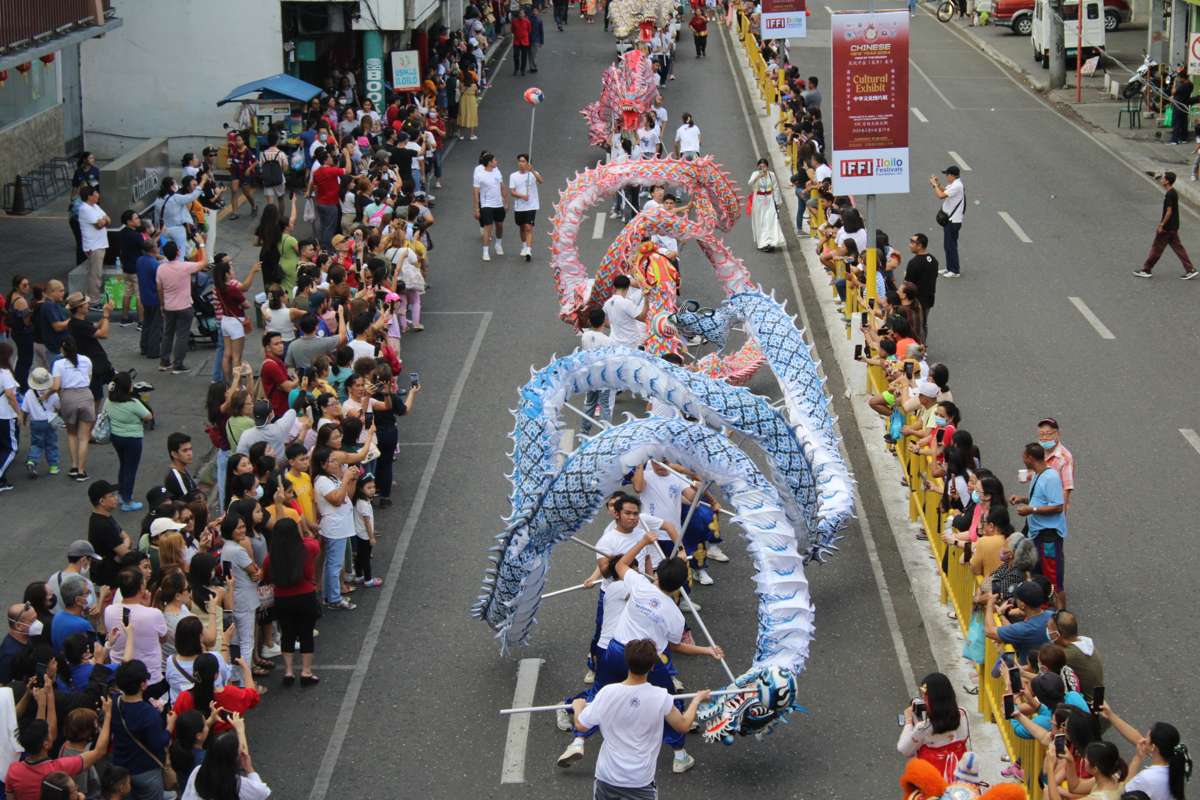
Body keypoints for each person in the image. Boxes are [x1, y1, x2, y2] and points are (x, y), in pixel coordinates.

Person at [559, 530, 722, 773]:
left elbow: (622, 563)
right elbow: (676, 646)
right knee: (668, 701)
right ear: (679, 585)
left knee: (600, 693)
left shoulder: (640, 585)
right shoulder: (675, 616)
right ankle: (680, 755)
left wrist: (643, 542)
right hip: (647, 660)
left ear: (656, 574)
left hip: (615, 651)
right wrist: (707, 650)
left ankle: (578, 739)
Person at [571, 638, 711, 798]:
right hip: (640, 780)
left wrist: (578, 707)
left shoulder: (607, 693)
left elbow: (581, 725)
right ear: (652, 667)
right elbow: (683, 726)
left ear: (626, 662)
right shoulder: (660, 696)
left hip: (607, 776)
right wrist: (697, 700)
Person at [3, 692, 110, 800]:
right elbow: (99, 751)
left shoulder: (13, 770)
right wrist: (108, 715)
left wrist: (45, 701)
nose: (52, 733)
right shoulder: (60, 768)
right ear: (46, 743)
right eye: (48, 733)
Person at [262, 517, 321, 686]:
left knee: (287, 633)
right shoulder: (307, 548)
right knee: (306, 633)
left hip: (282, 598)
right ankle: (306, 671)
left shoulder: (271, 557)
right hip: (305, 595)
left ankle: (288, 671)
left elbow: (266, 576)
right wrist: (307, 533)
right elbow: (314, 545)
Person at [1010, 441, 1068, 608]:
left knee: (1053, 580)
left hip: (1048, 536)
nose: (1022, 459)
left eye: (1024, 456)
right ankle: (1044, 614)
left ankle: (1062, 618)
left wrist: (1031, 510)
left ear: (1030, 458)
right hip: (1036, 535)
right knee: (1038, 576)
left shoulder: (1051, 477)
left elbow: (1057, 506)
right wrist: (1023, 500)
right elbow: (1040, 500)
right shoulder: (1036, 474)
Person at [109, 659, 171, 800]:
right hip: (146, 770)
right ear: (143, 685)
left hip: (121, 769)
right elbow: (158, 743)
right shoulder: (149, 714)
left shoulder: (115, 702)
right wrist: (169, 727)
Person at [1103, 704, 1192, 800]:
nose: (1143, 740)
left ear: (1154, 747)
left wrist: (1137, 758)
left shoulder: (1147, 778)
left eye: (1147, 738)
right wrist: (1110, 715)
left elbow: (1123, 791)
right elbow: (1138, 739)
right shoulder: (1179, 758)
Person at [897, 672, 971, 782]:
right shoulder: (963, 714)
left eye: (925, 698)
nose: (923, 701)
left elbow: (904, 749)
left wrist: (909, 721)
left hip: (932, 781)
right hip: (961, 776)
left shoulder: (923, 728)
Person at [313, 445, 360, 610]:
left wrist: (352, 480)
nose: (336, 463)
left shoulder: (333, 478)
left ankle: (330, 595)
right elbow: (337, 500)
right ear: (322, 464)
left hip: (341, 526)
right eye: (331, 461)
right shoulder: (323, 481)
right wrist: (346, 478)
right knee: (334, 565)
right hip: (335, 528)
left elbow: (348, 496)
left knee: (333, 564)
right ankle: (333, 598)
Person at [179, 717, 271, 800]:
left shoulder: (197, 772)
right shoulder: (238, 785)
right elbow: (263, 792)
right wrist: (249, 769)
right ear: (234, 761)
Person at [156, 240, 208, 374]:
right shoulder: (185, 267)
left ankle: (164, 361)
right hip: (184, 306)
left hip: (169, 306)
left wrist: (162, 304)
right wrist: (201, 245)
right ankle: (178, 364)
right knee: (181, 335)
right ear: (178, 252)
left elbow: (159, 289)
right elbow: (204, 263)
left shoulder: (161, 268)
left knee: (168, 334)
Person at [1135, 172, 1198, 279]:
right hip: (1173, 227)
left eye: (1163, 178)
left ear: (1167, 181)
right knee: (1179, 248)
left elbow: (1169, 211)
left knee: (1156, 248)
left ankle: (1146, 270)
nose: (1162, 180)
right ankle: (1190, 269)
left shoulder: (1169, 194)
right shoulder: (1173, 192)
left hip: (1167, 228)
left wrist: (1161, 224)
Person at [106, 372, 153, 512]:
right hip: (132, 438)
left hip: (116, 436)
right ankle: (127, 500)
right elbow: (148, 416)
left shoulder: (110, 400)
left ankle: (121, 493)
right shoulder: (133, 403)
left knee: (124, 465)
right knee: (131, 468)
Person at [50, 337, 95, 481]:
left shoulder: (58, 364)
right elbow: (89, 378)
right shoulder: (86, 360)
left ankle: (74, 466)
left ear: (62, 349)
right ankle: (82, 471)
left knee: (71, 434)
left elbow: (56, 386)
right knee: (84, 437)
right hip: (86, 395)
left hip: (68, 397)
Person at [984, 579, 1053, 665]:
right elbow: (1014, 630)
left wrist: (990, 603)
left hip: (1026, 673)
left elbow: (989, 631)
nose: (1015, 600)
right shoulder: (1052, 615)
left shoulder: (1026, 629)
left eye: (1017, 598)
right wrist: (1001, 615)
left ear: (1022, 605)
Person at [1047, 610, 1104, 703]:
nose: (1047, 631)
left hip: (1085, 705)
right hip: (1097, 699)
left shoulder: (1067, 655)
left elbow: (1044, 677)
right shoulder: (1084, 643)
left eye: (1049, 629)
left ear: (1057, 634)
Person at [87, 480, 131, 589]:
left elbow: (126, 537)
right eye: (111, 496)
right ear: (102, 501)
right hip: (109, 580)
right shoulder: (102, 525)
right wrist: (124, 546)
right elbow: (125, 553)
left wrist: (124, 544)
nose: (116, 498)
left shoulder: (106, 517)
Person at [23, 366, 60, 479]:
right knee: (51, 444)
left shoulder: (29, 393)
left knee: (36, 444)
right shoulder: (52, 393)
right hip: (49, 422)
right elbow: (58, 406)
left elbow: (24, 409)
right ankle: (53, 466)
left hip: (35, 422)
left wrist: (24, 419)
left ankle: (32, 461)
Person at [76, 186, 111, 307]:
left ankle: (93, 298)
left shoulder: (95, 206)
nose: (98, 195)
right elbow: (100, 224)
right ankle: (93, 301)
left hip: (100, 244)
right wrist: (103, 220)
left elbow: (108, 220)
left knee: (97, 273)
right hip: (94, 246)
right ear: (90, 196)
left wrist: (103, 220)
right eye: (96, 193)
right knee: (95, 274)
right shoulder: (85, 209)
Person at [929, 166, 965, 278]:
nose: (946, 176)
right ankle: (949, 267)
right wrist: (938, 184)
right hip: (950, 220)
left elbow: (940, 195)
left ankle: (954, 270)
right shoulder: (954, 185)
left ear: (952, 175)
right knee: (947, 245)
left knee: (951, 246)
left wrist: (935, 186)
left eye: (947, 174)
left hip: (953, 221)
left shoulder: (957, 185)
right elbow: (945, 190)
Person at [474, 151, 508, 262]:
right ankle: (485, 251)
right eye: (494, 160)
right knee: (487, 228)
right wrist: (477, 209)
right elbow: (475, 192)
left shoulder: (497, 172)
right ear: (489, 162)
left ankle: (498, 244)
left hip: (498, 204)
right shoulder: (480, 175)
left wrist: (506, 202)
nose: (496, 162)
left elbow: (502, 187)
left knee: (499, 225)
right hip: (486, 204)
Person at [904, 233, 938, 340]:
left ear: (920, 245)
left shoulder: (914, 263)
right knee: (924, 323)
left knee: (915, 325)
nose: (910, 245)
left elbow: (908, 284)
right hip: (929, 298)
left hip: (916, 300)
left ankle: (919, 348)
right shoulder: (933, 260)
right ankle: (923, 347)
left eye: (912, 242)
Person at [509, 153, 543, 261]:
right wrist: (522, 196)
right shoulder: (513, 176)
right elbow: (512, 192)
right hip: (519, 207)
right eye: (520, 161)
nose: (521, 163)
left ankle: (528, 249)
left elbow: (541, 181)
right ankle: (524, 245)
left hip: (532, 205)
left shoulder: (533, 174)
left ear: (528, 163)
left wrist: (532, 170)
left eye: (523, 161)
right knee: (522, 227)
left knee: (528, 227)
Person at [1037, 417, 1076, 512]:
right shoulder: (1039, 451)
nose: (1045, 438)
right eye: (1041, 434)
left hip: (1052, 509)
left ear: (1058, 434)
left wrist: (1061, 517)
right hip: (1037, 504)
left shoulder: (1064, 457)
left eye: (1049, 434)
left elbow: (1066, 488)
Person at [748, 158, 785, 251]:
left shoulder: (771, 175)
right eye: (760, 167)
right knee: (761, 221)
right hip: (759, 200)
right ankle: (763, 243)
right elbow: (750, 183)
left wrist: (777, 202)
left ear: (767, 167)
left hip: (769, 200)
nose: (762, 168)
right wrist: (758, 176)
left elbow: (776, 188)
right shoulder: (755, 174)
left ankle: (772, 242)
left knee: (771, 220)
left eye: (764, 166)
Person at [603, 275, 647, 349]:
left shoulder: (607, 303)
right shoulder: (626, 303)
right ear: (628, 287)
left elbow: (604, 321)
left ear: (614, 287)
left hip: (614, 343)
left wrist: (615, 325)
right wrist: (646, 300)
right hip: (630, 344)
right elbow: (642, 318)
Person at [0, 603, 40, 683]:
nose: (37, 623)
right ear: (18, 626)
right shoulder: (9, 655)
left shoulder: (27, 638)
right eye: (33, 621)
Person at [0, 341, 20, 492]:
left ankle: (3, 480)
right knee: (11, 448)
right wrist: (19, 413)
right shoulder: (5, 373)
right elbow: (10, 395)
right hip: (5, 415)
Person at [164, 432, 201, 502]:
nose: (190, 453)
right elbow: (191, 503)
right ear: (174, 454)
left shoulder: (182, 469)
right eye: (185, 450)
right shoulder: (177, 477)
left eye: (190, 449)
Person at [512, 8, 532, 75]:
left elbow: (529, 30)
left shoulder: (527, 21)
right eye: (520, 13)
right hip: (516, 41)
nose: (521, 15)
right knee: (516, 55)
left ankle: (522, 69)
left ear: (524, 14)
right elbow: (513, 30)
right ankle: (516, 68)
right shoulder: (514, 21)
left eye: (522, 13)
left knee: (524, 56)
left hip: (525, 41)